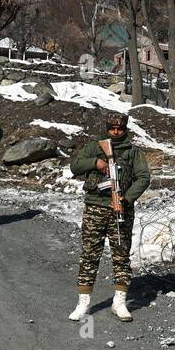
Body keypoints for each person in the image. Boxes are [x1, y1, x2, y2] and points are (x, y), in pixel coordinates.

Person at [68, 112, 150, 322]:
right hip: (95, 207)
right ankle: (83, 303)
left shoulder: (132, 151)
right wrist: (95, 163)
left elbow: (143, 177)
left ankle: (120, 302)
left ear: (125, 129)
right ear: (107, 128)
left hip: (120, 210)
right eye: (112, 128)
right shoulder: (95, 147)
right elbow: (75, 166)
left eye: (120, 129)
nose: (115, 132)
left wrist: (126, 198)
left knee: (121, 255)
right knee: (89, 254)